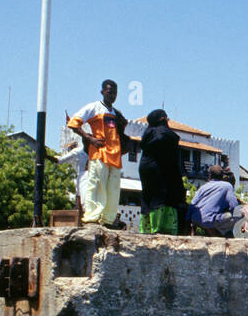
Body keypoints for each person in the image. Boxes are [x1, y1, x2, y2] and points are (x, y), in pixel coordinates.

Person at [67, 79, 128, 228]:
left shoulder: (116, 113)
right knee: (96, 184)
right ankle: (91, 217)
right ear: (102, 92)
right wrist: (89, 138)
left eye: (115, 93)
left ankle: (108, 219)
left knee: (113, 188)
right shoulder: (93, 107)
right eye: (109, 92)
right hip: (99, 152)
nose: (112, 95)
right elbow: (74, 123)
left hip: (115, 155)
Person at [138, 109, 186, 235]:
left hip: (145, 168)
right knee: (163, 196)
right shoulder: (165, 134)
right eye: (167, 118)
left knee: (148, 195)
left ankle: (146, 228)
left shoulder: (147, 134)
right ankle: (162, 227)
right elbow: (171, 160)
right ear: (163, 119)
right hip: (160, 169)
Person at [188, 165, 240, 237]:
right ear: (222, 176)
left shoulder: (203, 187)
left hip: (196, 219)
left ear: (210, 176)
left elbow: (192, 204)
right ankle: (222, 235)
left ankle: (213, 232)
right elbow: (234, 205)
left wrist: (188, 220)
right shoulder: (227, 186)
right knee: (236, 215)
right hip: (210, 220)